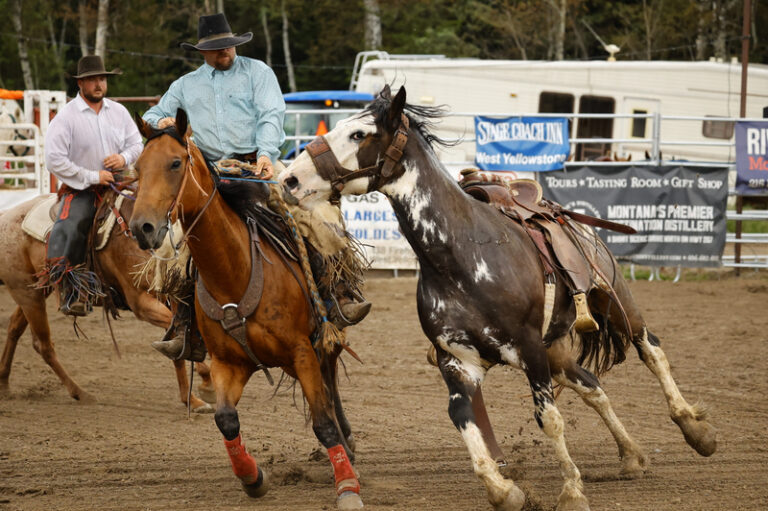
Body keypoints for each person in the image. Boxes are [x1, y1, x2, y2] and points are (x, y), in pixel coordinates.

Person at [143, 13, 370, 360]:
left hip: (257, 163)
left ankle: (336, 296)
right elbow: (149, 116)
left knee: (318, 214)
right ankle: (186, 326)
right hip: (210, 171)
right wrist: (162, 120)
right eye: (218, 49)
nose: (226, 53)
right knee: (174, 247)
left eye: (229, 46)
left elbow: (270, 115)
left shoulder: (257, 73)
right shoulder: (186, 86)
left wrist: (266, 154)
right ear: (203, 52)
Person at [42, 55, 143, 316]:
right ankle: (73, 291)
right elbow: (54, 160)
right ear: (81, 84)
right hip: (82, 189)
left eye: (102, 79)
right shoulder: (66, 117)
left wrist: (123, 157)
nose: (99, 84)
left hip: (120, 183)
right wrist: (93, 176)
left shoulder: (118, 112)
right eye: (92, 80)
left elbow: (136, 144)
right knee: (72, 226)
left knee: (150, 214)